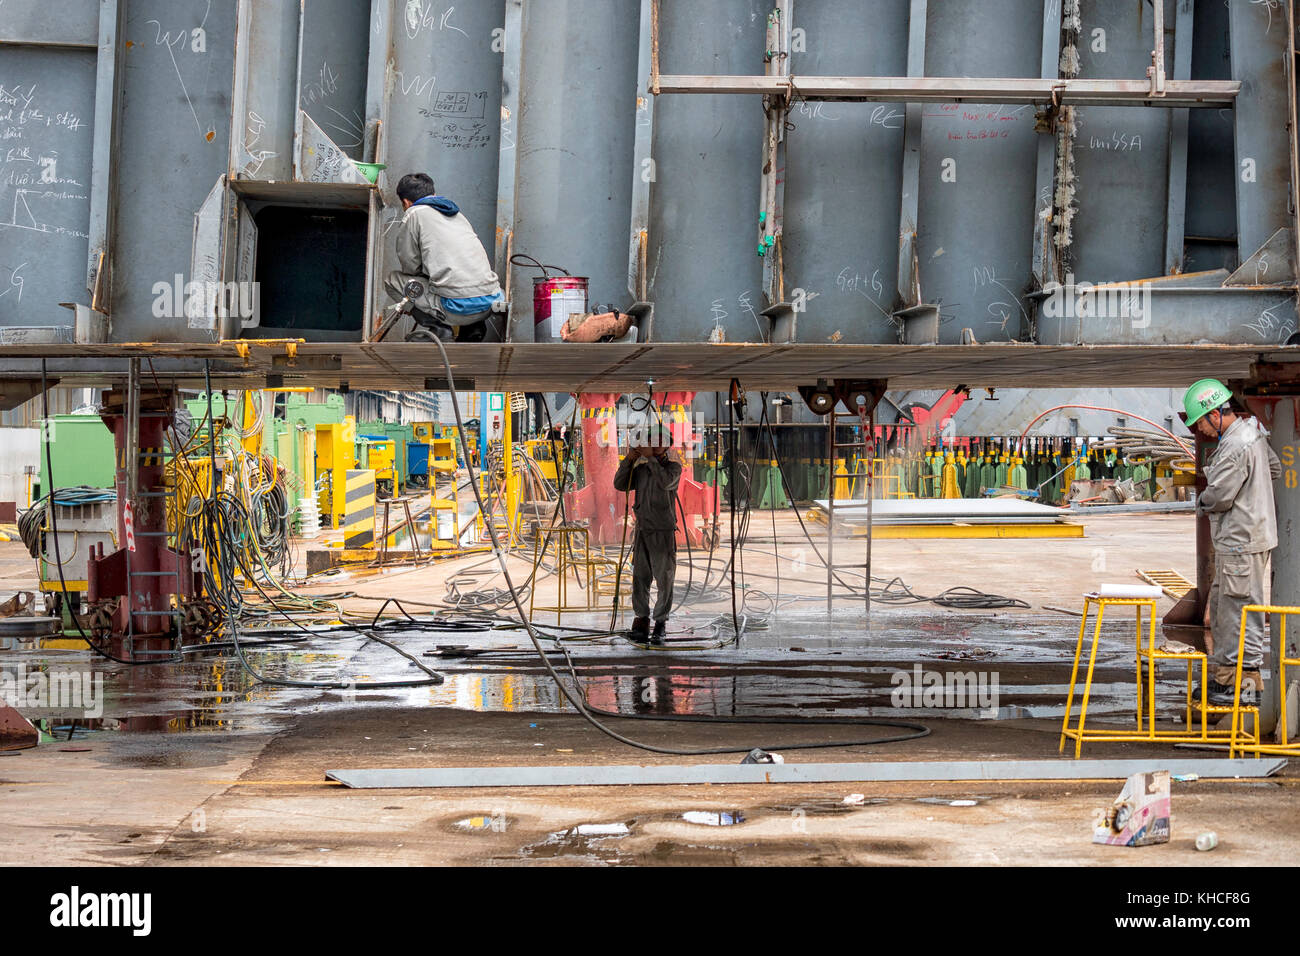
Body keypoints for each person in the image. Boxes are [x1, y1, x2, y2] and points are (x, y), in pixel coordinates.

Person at [1183, 378, 1280, 705]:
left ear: (1214, 413)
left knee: (1241, 611)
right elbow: (1275, 470)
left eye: (1199, 422)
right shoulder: (1252, 435)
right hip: (1244, 538)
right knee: (1226, 610)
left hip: (1242, 539)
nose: (1200, 431)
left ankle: (1246, 687)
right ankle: (1227, 681)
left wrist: (1200, 501)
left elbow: (1220, 496)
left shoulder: (1235, 444)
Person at [385, 172, 503, 342]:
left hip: (454, 309)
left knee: (392, 280)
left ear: (405, 202)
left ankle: (439, 328)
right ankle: (472, 328)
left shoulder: (413, 213)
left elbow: (410, 266)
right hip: (489, 302)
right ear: (433, 194)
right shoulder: (457, 214)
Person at [613, 425, 682, 645]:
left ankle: (660, 623)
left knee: (665, 579)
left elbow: (664, 483)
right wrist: (629, 460)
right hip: (642, 531)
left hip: (662, 532)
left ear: (667, 445)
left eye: (660, 440)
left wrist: (650, 459)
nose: (654, 444)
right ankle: (641, 620)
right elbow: (620, 484)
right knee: (640, 578)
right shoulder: (641, 471)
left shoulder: (674, 468)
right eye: (651, 440)